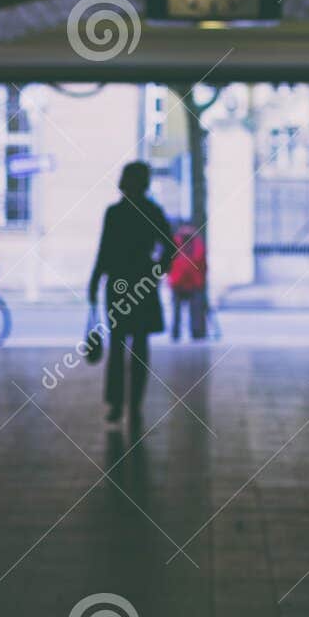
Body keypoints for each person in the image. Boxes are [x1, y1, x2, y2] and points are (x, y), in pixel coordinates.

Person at [88, 161, 175, 428]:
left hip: (117, 283)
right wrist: (157, 271)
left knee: (117, 343)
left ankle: (115, 403)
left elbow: (105, 249)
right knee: (140, 345)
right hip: (143, 283)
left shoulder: (115, 212)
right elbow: (170, 247)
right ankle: (135, 404)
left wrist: (94, 281)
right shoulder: (153, 211)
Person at [168, 223, 208, 340]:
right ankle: (178, 332)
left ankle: (194, 332)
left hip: (193, 282)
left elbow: (202, 262)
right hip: (180, 281)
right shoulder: (178, 242)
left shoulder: (196, 243)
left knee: (194, 310)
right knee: (178, 310)